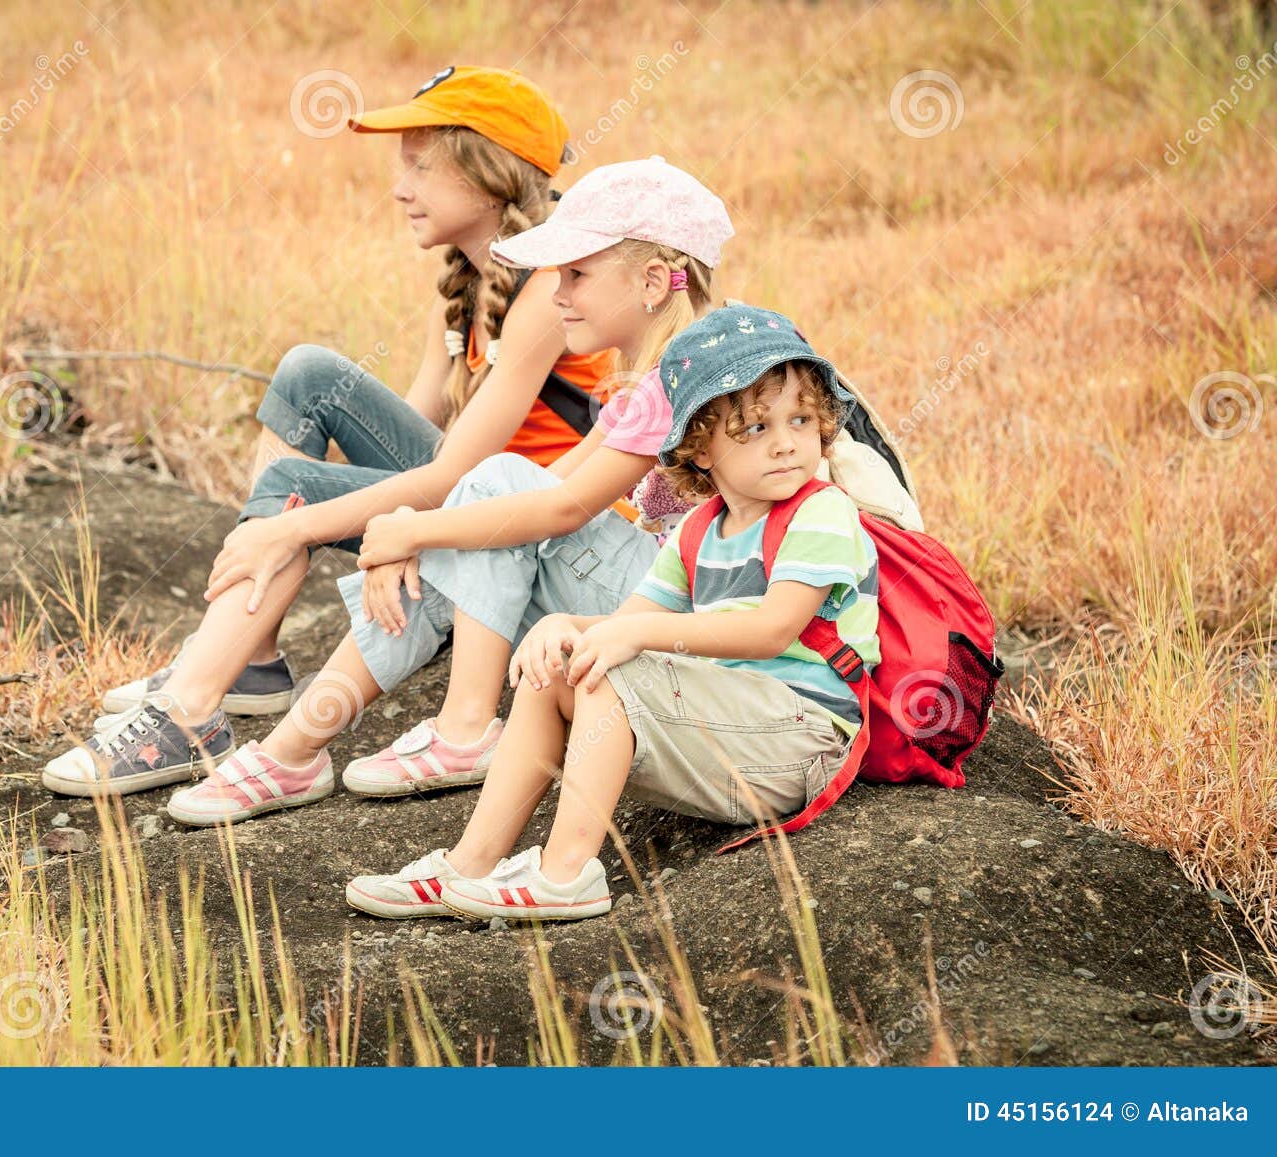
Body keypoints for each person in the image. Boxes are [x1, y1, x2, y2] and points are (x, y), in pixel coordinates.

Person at [43, 66, 617, 798]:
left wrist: (306, 528)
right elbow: (421, 429)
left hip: (528, 534)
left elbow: (444, 479)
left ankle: (187, 714)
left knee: (292, 494)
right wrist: (380, 521)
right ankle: (249, 652)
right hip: (473, 493)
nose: (398, 187)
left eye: (418, 166)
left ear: (487, 173)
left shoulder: (543, 288)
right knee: (310, 375)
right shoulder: (473, 273)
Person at [163, 157, 733, 826]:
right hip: (647, 605)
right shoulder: (655, 375)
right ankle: (296, 749)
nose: (558, 294)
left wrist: (417, 531)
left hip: (688, 624)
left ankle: (448, 731)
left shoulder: (685, 371)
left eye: (577, 274)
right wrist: (424, 527)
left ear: (653, 281)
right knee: (483, 499)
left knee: (491, 485)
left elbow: (563, 506)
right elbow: (557, 483)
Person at [345, 304, 881, 921]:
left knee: (613, 671)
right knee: (562, 667)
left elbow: (771, 629)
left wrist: (630, 636)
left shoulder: (821, 510)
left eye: (801, 420)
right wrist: (564, 628)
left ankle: (566, 872)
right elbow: (631, 618)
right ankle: (468, 865)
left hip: (802, 737)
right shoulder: (699, 530)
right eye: (755, 428)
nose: (787, 442)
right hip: (728, 726)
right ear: (700, 448)